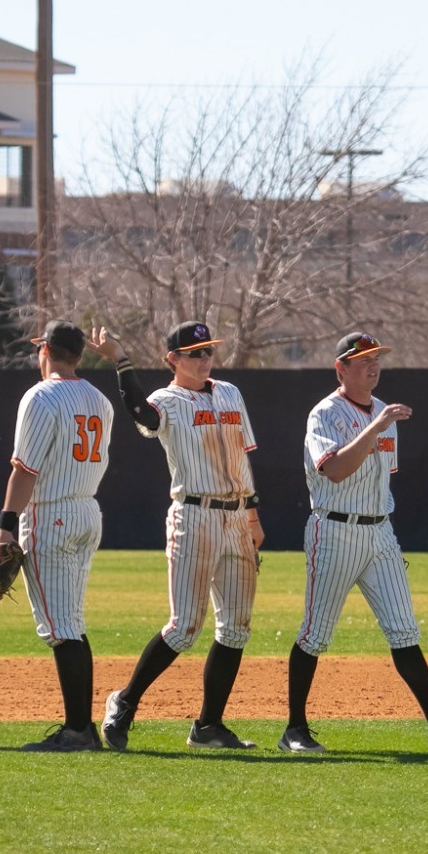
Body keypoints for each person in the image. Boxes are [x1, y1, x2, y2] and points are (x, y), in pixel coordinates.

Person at [281, 332, 428, 754]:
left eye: (376, 359)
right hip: (335, 528)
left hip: (379, 531)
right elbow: (335, 470)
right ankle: (294, 730)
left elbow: (380, 476)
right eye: (362, 360)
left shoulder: (381, 410)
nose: (373, 366)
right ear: (340, 368)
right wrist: (376, 426)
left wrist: (379, 422)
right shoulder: (326, 413)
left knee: (403, 628)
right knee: (315, 634)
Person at [90, 320, 263, 751]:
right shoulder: (166, 400)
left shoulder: (229, 393)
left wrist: (254, 515)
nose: (204, 359)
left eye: (208, 352)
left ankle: (209, 726)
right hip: (195, 515)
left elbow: (243, 458)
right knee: (185, 627)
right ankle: (124, 703)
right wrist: (120, 361)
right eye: (194, 353)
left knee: (236, 629)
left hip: (238, 517)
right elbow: (141, 415)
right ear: (173, 360)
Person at [0, 320, 115, 752]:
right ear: (80, 355)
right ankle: (82, 728)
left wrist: (4, 529)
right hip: (87, 511)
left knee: (61, 626)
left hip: (51, 514)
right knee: (72, 622)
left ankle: (78, 731)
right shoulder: (100, 400)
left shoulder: (40, 396)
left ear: (44, 349)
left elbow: (24, 470)